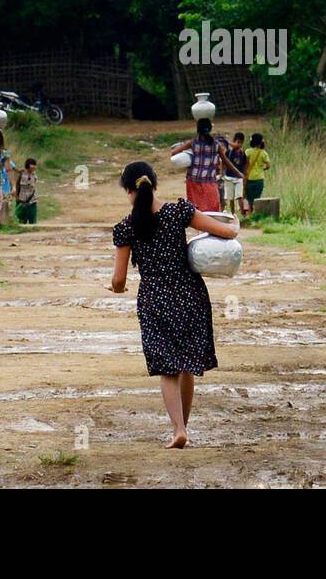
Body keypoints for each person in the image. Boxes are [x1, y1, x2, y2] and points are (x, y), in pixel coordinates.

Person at [107, 161, 239, 448]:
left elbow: (119, 280)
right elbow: (226, 232)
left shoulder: (127, 227)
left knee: (167, 368)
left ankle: (177, 429)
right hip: (188, 293)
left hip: (154, 298)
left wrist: (116, 288)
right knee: (188, 365)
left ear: (129, 191)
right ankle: (185, 429)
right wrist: (235, 224)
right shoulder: (179, 211)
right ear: (155, 185)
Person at [173, 118, 242, 212]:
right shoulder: (216, 144)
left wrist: (188, 155)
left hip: (193, 181)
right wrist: (239, 173)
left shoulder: (193, 143)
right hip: (209, 181)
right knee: (212, 209)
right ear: (210, 129)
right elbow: (226, 161)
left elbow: (174, 153)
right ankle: (208, 226)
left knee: (197, 210)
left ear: (198, 130)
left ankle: (201, 226)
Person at [243, 133, 271, 213]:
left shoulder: (248, 152)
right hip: (259, 179)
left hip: (249, 178)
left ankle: (250, 213)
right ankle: (257, 213)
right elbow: (268, 165)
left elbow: (245, 164)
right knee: (257, 197)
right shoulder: (263, 153)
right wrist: (262, 169)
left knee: (249, 198)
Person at [227, 132, 250, 216]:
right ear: (234, 141)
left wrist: (245, 176)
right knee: (231, 198)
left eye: (240, 142)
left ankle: (242, 214)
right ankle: (233, 214)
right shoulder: (229, 152)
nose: (239, 144)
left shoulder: (242, 153)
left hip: (239, 178)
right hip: (229, 177)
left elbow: (245, 164)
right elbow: (224, 162)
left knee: (239, 196)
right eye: (237, 142)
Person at [16, 158, 39, 224]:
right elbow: (18, 185)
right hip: (22, 199)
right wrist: (17, 196)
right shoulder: (22, 173)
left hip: (32, 200)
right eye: (32, 165)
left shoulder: (34, 174)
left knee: (33, 219)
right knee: (22, 219)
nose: (34, 167)